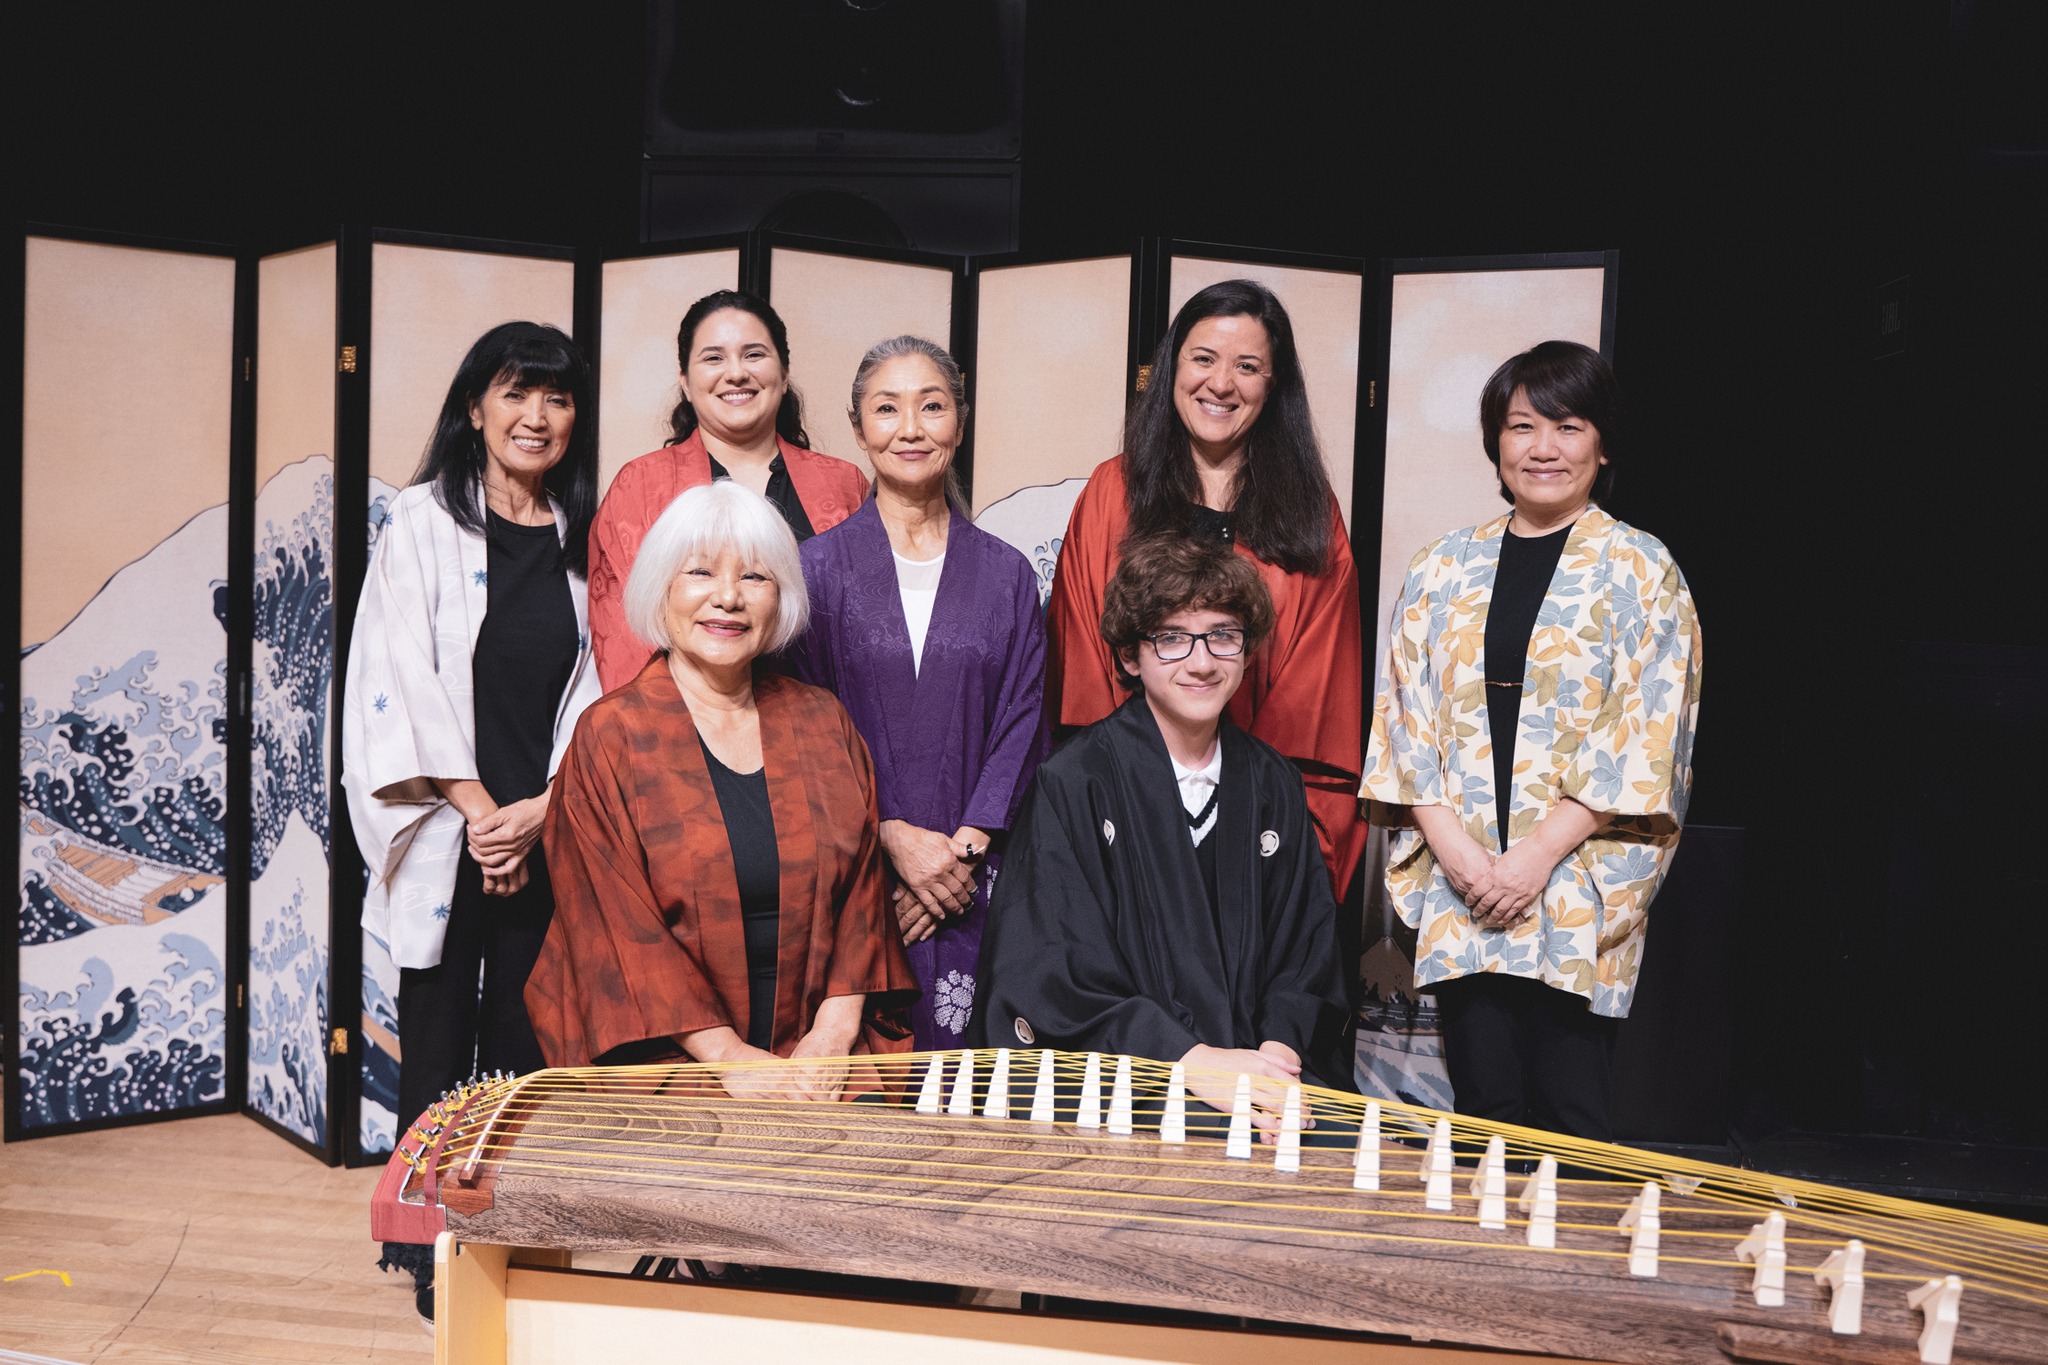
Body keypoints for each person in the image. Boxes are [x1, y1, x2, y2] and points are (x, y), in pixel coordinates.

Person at [1360, 340, 1703, 1143]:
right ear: (1496, 442)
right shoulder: (1441, 567)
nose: (1543, 447)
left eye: (1568, 426)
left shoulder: (1642, 568)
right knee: (1483, 1114)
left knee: (1569, 1118)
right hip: (1465, 878)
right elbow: (1406, 723)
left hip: (1577, 877)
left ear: (1603, 445)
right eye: (1522, 426)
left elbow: (1648, 732)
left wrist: (1533, 860)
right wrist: (1462, 859)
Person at [341, 321, 601, 1315]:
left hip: (549, 826)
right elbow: (398, 673)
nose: (536, 416)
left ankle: (508, 1232)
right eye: (515, 393)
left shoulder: (585, 537)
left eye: (557, 398)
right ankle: (428, 1247)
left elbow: (602, 690)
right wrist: (484, 814)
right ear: (475, 407)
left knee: (524, 1046)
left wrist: (540, 811)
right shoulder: (419, 522)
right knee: (440, 1046)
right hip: (448, 826)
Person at [527, 480, 916, 1098]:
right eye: (701, 573)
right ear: (663, 589)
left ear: (780, 597)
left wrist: (832, 1035)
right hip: (671, 1057)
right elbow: (616, 929)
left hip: (816, 1051)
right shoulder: (610, 736)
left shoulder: (823, 721)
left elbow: (862, 898)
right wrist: (731, 1060)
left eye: (755, 577)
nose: (728, 597)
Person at [972, 535, 1352, 1141]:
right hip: (1134, 1081)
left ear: (1247, 650)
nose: (1201, 663)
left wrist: (1275, 1064)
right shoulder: (1075, 781)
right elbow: (1049, 972)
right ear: (1130, 656)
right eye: (1172, 638)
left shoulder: (1272, 782)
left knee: (1357, 1148)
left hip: (1262, 1074)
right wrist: (1193, 1062)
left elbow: (1305, 954)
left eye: (1223, 635)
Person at [1044, 279, 1365, 900]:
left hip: (1261, 824)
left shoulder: (1309, 510)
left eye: (1247, 367)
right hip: (1123, 814)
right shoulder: (1113, 492)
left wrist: (1245, 809)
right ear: (1171, 368)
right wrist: (1137, 798)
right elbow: (1083, 664)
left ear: (1273, 385)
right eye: (1203, 358)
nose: (1221, 384)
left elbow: (1317, 691)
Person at [786, 336, 1050, 1053]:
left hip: (975, 880)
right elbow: (802, 728)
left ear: (959, 422)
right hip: (859, 876)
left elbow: (1024, 719)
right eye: (887, 409)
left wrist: (960, 856)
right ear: (858, 428)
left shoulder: (1006, 573)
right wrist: (890, 837)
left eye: (931, 407)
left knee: (969, 1088)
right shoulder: (815, 569)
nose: (910, 428)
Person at [587, 289, 870, 691]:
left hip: (823, 719)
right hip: (681, 720)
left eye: (754, 354)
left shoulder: (844, 484)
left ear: (784, 374)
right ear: (686, 382)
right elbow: (624, 638)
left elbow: (869, 628)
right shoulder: (641, 486)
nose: (736, 373)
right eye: (713, 358)